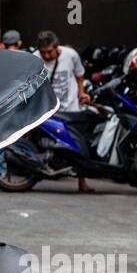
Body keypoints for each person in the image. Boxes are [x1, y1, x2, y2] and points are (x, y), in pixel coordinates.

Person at [35, 30, 93, 193]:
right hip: (47, 109)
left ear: (57, 47)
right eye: (43, 52)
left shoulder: (71, 55)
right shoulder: (34, 58)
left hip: (70, 107)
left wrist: (82, 92)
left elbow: (80, 75)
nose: (46, 56)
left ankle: (82, 181)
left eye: (49, 52)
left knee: (78, 144)